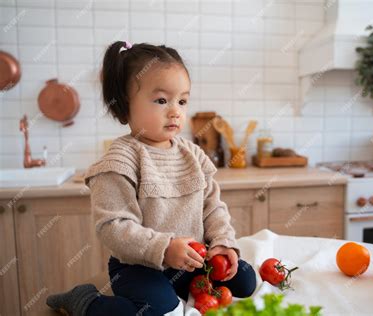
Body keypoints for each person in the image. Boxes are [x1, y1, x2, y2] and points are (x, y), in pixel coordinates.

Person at [46, 41, 256, 316]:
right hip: (138, 266)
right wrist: (165, 248)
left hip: (192, 261)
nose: (175, 111)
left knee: (246, 279)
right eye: (161, 100)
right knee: (159, 311)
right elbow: (114, 227)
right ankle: (86, 301)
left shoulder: (192, 154)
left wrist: (222, 242)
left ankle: (183, 287)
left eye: (182, 101)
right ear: (123, 105)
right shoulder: (119, 161)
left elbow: (213, 207)